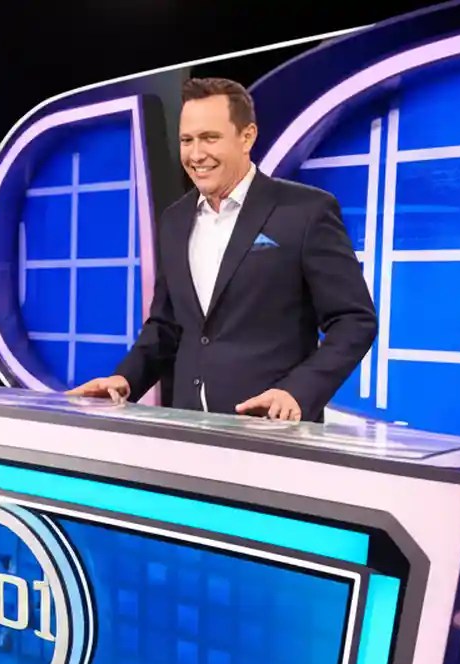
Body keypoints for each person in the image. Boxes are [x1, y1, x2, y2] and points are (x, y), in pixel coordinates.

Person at [68, 77, 377, 423]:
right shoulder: (175, 219)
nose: (196, 154)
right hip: (186, 430)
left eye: (209, 138)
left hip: (271, 434)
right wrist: (125, 379)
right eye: (187, 140)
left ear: (247, 137)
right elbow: (167, 324)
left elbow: (354, 321)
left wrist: (298, 392)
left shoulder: (306, 211)